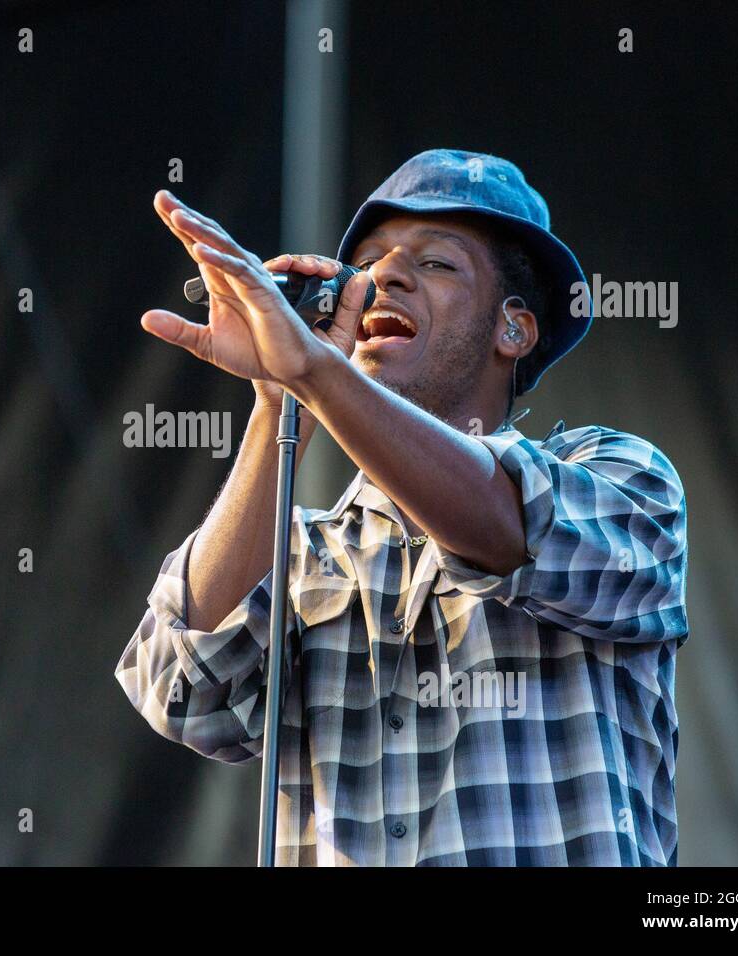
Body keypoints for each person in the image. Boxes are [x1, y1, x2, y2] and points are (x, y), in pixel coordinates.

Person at [115, 149, 688, 866]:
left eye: (437, 262)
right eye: (366, 264)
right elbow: (183, 691)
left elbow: (506, 528)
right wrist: (277, 399)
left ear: (514, 329)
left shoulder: (625, 477)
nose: (385, 275)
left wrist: (316, 371)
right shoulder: (304, 553)